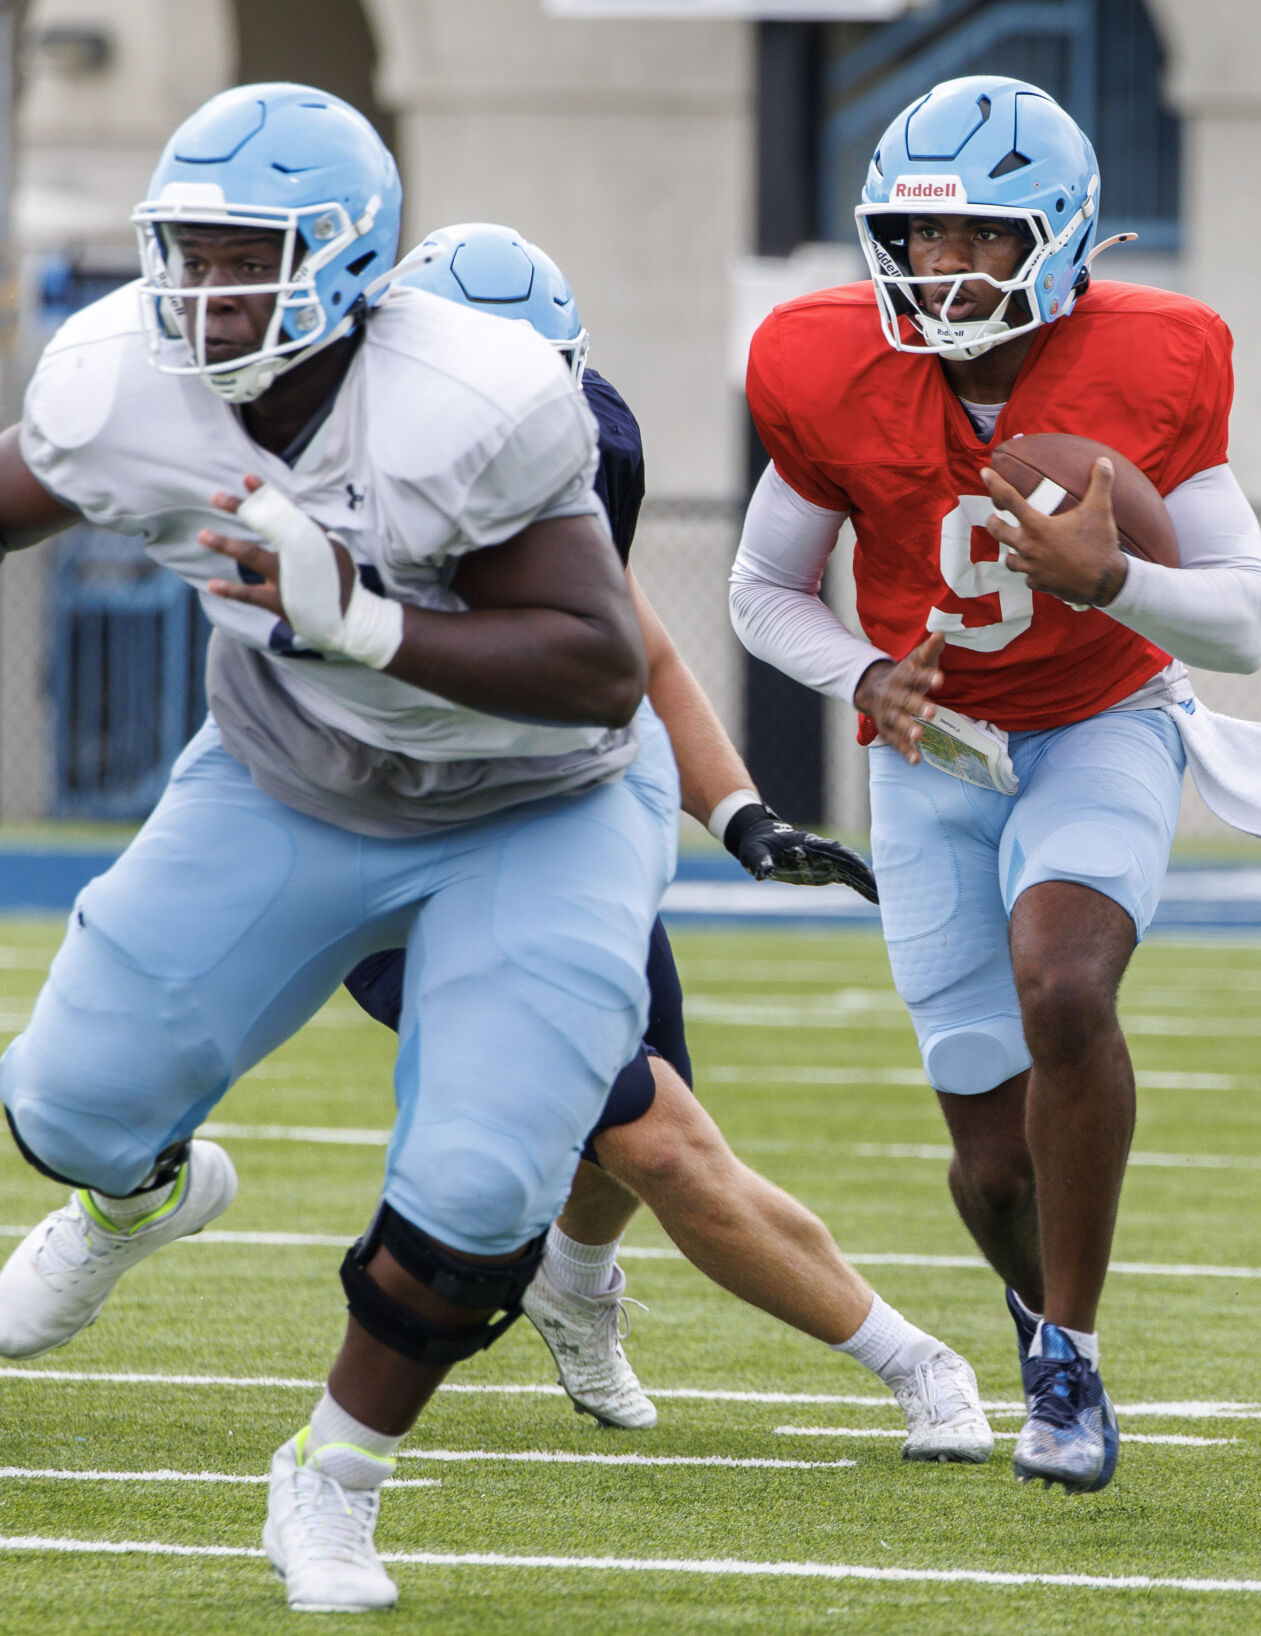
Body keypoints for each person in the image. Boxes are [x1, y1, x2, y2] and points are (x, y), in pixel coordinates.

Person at [0, 83, 687, 1616]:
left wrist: (365, 618)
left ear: (354, 258)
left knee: (478, 1180)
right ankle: (137, 1199)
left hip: (540, 806)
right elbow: (21, 489)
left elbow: (598, 664)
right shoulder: (121, 377)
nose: (210, 290)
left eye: (252, 255)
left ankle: (333, 1481)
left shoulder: (479, 394)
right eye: (189, 252)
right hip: (285, 776)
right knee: (63, 1103)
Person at [345, 222, 993, 1461]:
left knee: (634, 1121)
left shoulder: (596, 440)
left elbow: (632, 638)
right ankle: (915, 1360)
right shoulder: (332, 474)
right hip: (397, 845)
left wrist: (740, 813)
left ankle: (573, 1286)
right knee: (658, 1134)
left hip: (560, 826)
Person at [728, 75, 1261, 1496]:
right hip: (932, 757)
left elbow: (1245, 616)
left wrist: (1117, 583)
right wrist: (855, 675)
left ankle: (1070, 1358)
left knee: (1065, 985)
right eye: (920, 238)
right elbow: (757, 590)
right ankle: (1032, 1309)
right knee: (988, 1165)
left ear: (1062, 241)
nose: (943, 268)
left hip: (1098, 718)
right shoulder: (818, 360)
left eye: (979, 238)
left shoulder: (1150, 357)